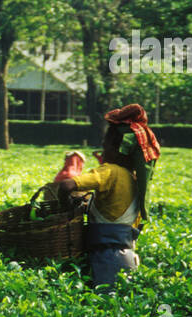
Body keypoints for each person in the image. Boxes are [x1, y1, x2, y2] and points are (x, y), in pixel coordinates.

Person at [57, 104, 160, 289]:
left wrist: (65, 208)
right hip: (125, 257)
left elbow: (66, 185)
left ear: (116, 148)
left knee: (101, 303)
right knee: (120, 304)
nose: (103, 148)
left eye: (105, 143)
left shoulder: (111, 172)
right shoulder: (135, 179)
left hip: (104, 259)